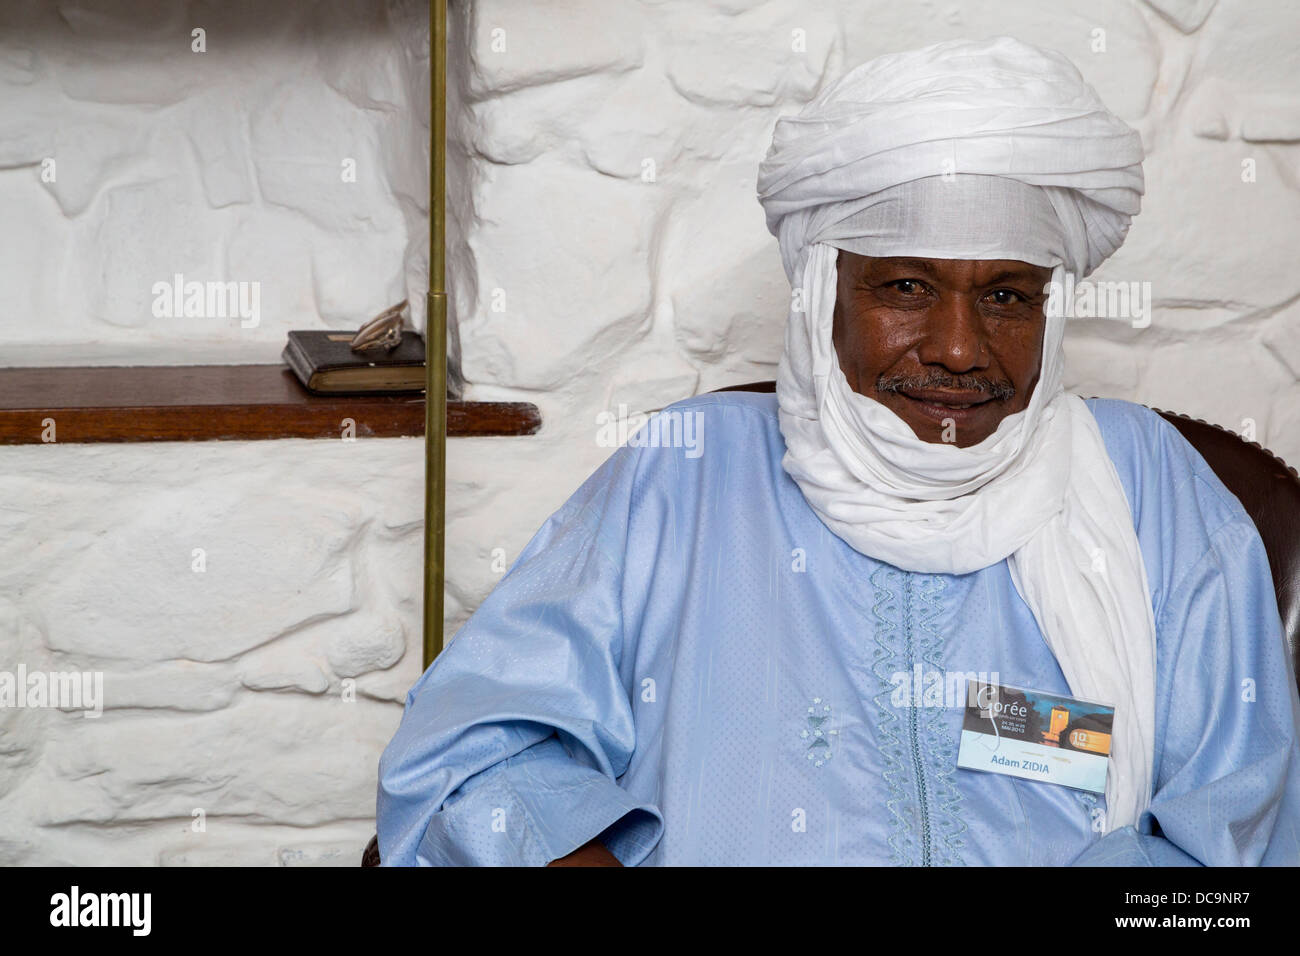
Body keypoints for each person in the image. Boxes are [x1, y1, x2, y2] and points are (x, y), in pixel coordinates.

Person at [376, 36, 1300, 866]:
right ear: (824, 292)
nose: (957, 347)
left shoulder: (1153, 493)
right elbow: (472, 755)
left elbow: (1238, 834)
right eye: (905, 286)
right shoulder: (683, 475)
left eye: (1008, 296)